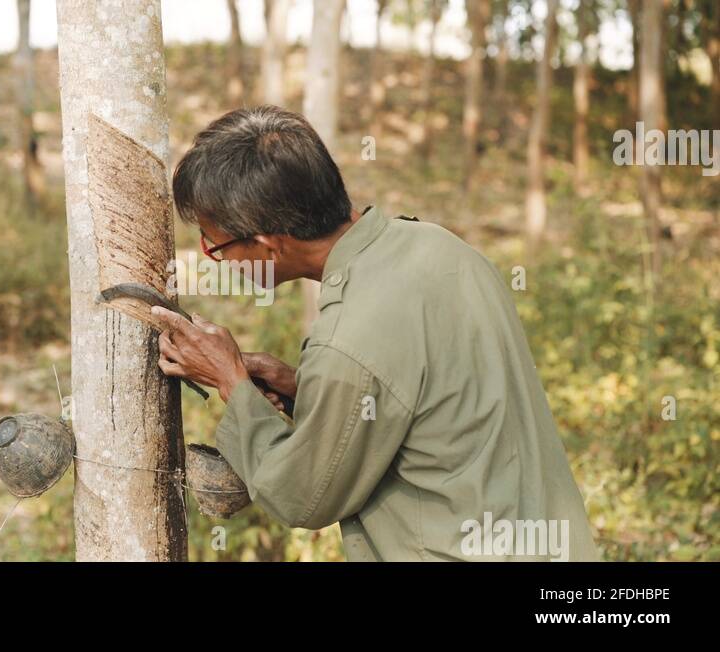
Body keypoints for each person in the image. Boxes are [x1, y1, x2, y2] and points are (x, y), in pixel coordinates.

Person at [153, 106, 599, 561]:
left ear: (269, 244)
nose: (215, 259)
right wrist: (303, 389)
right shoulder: (442, 248)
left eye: (216, 246)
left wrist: (233, 382)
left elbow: (302, 495)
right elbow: (433, 401)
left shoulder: (349, 341)